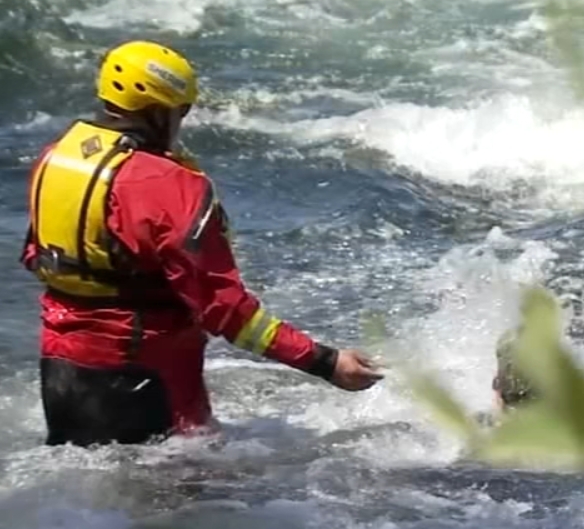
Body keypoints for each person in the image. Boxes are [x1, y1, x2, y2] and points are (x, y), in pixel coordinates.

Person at [19, 39, 383, 447]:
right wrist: (326, 362)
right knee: (188, 499)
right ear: (160, 111)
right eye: (181, 110)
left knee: (88, 498)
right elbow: (225, 309)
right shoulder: (171, 186)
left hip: (62, 369)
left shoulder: (55, 160)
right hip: (144, 374)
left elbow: (38, 255)